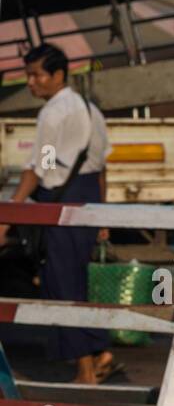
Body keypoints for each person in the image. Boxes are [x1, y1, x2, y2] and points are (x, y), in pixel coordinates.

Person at [0, 44, 112, 384]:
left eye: (37, 75)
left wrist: (8, 216)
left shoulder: (51, 113)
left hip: (61, 203)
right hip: (87, 196)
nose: (32, 83)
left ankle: (85, 370)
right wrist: (101, 214)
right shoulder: (92, 110)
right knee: (77, 280)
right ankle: (99, 351)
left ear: (59, 74)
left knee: (62, 284)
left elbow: (40, 169)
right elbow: (102, 165)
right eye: (29, 75)